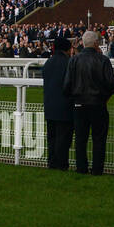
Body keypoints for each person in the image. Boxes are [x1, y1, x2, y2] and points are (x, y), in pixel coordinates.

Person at [64, 30, 114, 175]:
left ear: (83, 42)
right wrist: (104, 98)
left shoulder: (74, 60)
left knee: (80, 139)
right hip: (98, 104)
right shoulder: (103, 60)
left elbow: (67, 85)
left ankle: (81, 168)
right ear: (96, 43)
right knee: (99, 139)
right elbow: (112, 85)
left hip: (79, 104)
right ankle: (97, 169)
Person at [41, 36, 74, 170]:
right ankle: (61, 164)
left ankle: (52, 163)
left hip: (49, 106)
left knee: (52, 138)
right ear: (67, 49)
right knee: (63, 139)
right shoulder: (69, 62)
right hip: (65, 106)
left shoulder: (48, 62)